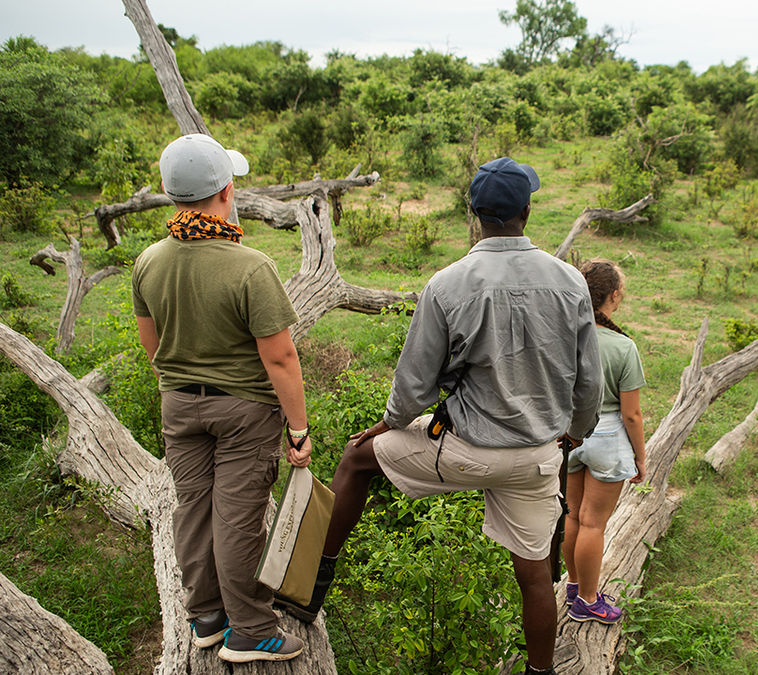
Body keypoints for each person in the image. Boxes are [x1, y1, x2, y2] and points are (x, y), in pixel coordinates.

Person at [275, 157, 602, 675]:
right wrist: (575, 433)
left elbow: (415, 381)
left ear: (474, 214)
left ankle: (307, 591)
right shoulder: (570, 282)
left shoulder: (447, 284)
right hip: (536, 458)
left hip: (465, 449)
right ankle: (541, 671)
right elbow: (589, 383)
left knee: (357, 459)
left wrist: (390, 421)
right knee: (536, 576)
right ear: (527, 212)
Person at [132, 134, 313, 663]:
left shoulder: (148, 262)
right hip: (243, 413)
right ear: (227, 192)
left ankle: (206, 617)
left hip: (177, 406)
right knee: (238, 518)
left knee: (193, 508)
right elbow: (281, 358)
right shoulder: (250, 266)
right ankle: (251, 630)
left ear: (171, 194)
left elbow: (152, 345)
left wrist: (183, 384)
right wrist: (298, 429)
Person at [561, 260, 647, 625]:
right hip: (607, 439)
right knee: (593, 524)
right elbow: (632, 415)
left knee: (572, 516)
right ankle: (588, 600)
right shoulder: (623, 347)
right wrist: (640, 457)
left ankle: (574, 585)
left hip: (568, 435)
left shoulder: (564, 336)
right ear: (613, 296)